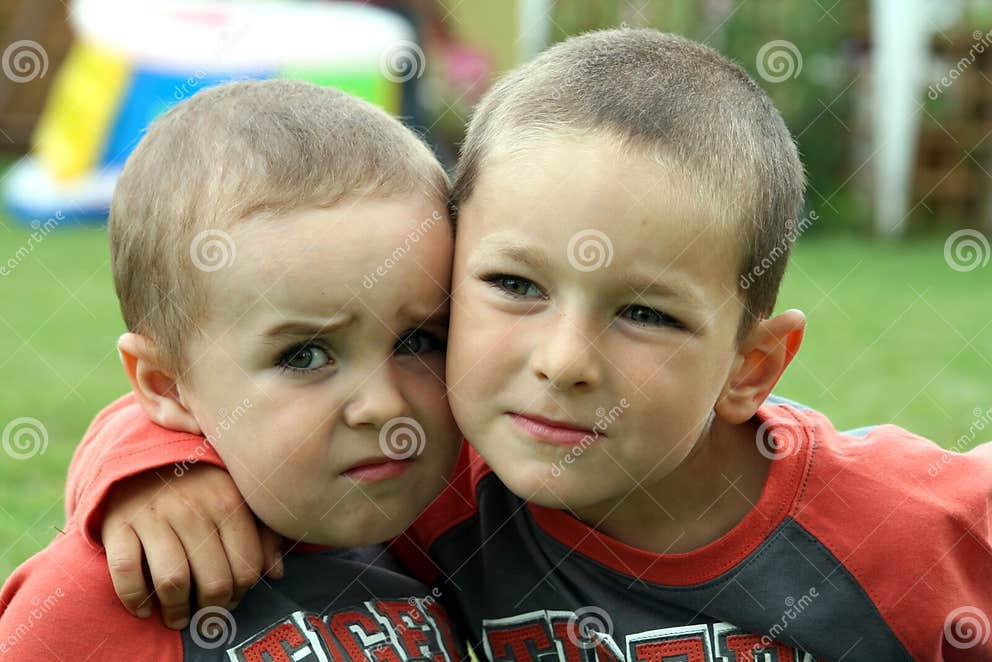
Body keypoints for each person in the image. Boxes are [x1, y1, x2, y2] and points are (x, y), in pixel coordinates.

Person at [25, 30, 992, 660]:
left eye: (646, 313)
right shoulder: (430, 472)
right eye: (515, 287)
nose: (564, 360)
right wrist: (156, 466)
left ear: (752, 367)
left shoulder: (896, 529)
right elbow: (221, 389)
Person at [0, 79, 466, 660]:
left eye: (418, 340)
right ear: (166, 385)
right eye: (303, 355)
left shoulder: (448, 524)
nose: (384, 405)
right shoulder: (112, 588)